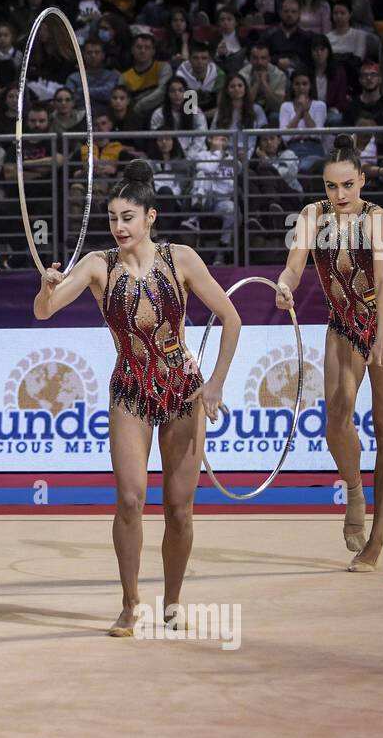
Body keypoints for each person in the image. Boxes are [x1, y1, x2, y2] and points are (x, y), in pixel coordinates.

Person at [33, 160, 240, 635]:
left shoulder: (181, 258)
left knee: (179, 508)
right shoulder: (96, 265)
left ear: (150, 217)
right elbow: (44, 312)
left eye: (128, 216)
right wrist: (46, 290)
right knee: (129, 499)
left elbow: (231, 318)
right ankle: (130, 603)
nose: (119, 226)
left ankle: (172, 602)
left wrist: (216, 383)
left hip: (183, 391)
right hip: (130, 390)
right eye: (112, 217)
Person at [276, 135, 383, 572]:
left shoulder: (378, 220)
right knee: (337, 419)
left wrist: (380, 339)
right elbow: (296, 263)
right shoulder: (311, 216)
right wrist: (285, 285)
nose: (339, 195)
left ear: (362, 180)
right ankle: (354, 490)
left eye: (348, 185)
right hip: (342, 327)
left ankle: (377, 539)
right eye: (331, 186)